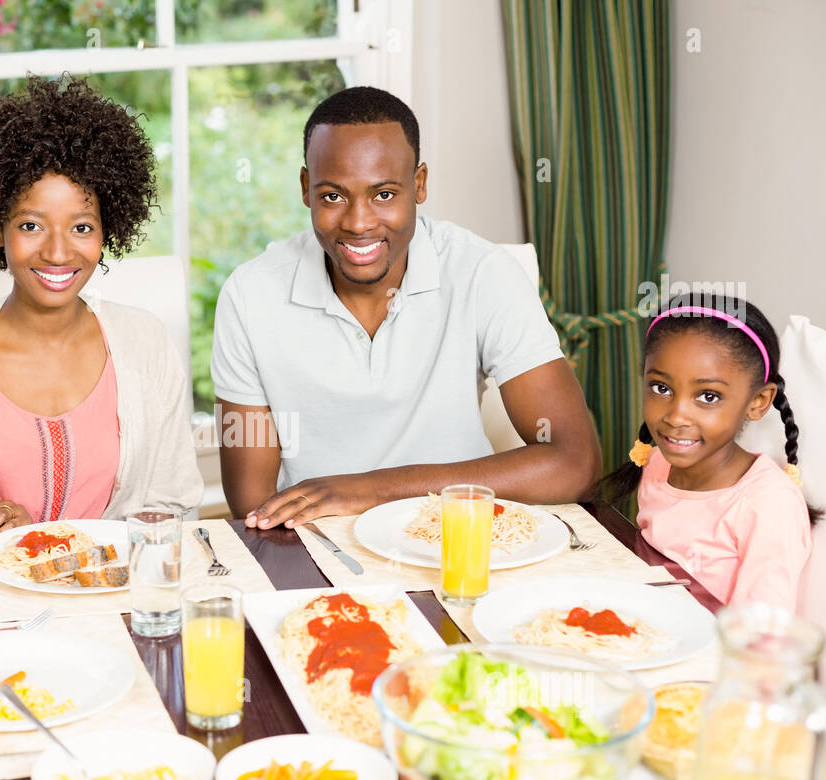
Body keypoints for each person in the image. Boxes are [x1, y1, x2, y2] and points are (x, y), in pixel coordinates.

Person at [210, 86, 601, 529]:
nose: (358, 223)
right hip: (321, 542)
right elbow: (251, 502)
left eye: (384, 194)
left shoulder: (483, 273)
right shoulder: (249, 296)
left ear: (419, 185)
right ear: (306, 188)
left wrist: (372, 489)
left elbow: (576, 463)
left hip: (459, 537)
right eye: (333, 196)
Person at [0, 75, 202, 543]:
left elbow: (174, 508)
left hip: (118, 601)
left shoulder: (146, 344)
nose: (58, 253)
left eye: (81, 227)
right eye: (32, 225)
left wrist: (65, 547)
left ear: (107, 230)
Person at [599, 294, 820, 611]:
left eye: (708, 396)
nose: (676, 416)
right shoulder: (658, 462)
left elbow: (759, 633)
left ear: (758, 402)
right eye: (661, 388)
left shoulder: (768, 504)